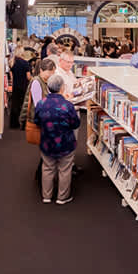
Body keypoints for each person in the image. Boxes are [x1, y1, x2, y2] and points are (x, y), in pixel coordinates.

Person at [34, 74, 81, 204]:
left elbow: (36, 121)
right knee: (65, 169)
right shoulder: (67, 106)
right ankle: (62, 197)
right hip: (65, 144)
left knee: (47, 168)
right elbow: (75, 124)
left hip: (47, 142)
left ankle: (46, 196)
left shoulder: (41, 103)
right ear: (62, 88)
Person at [8, 48, 33, 130]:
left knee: (14, 105)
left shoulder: (12, 62)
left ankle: (13, 123)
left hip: (15, 86)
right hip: (24, 86)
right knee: (23, 105)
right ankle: (22, 123)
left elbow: (11, 77)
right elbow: (28, 77)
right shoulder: (25, 63)